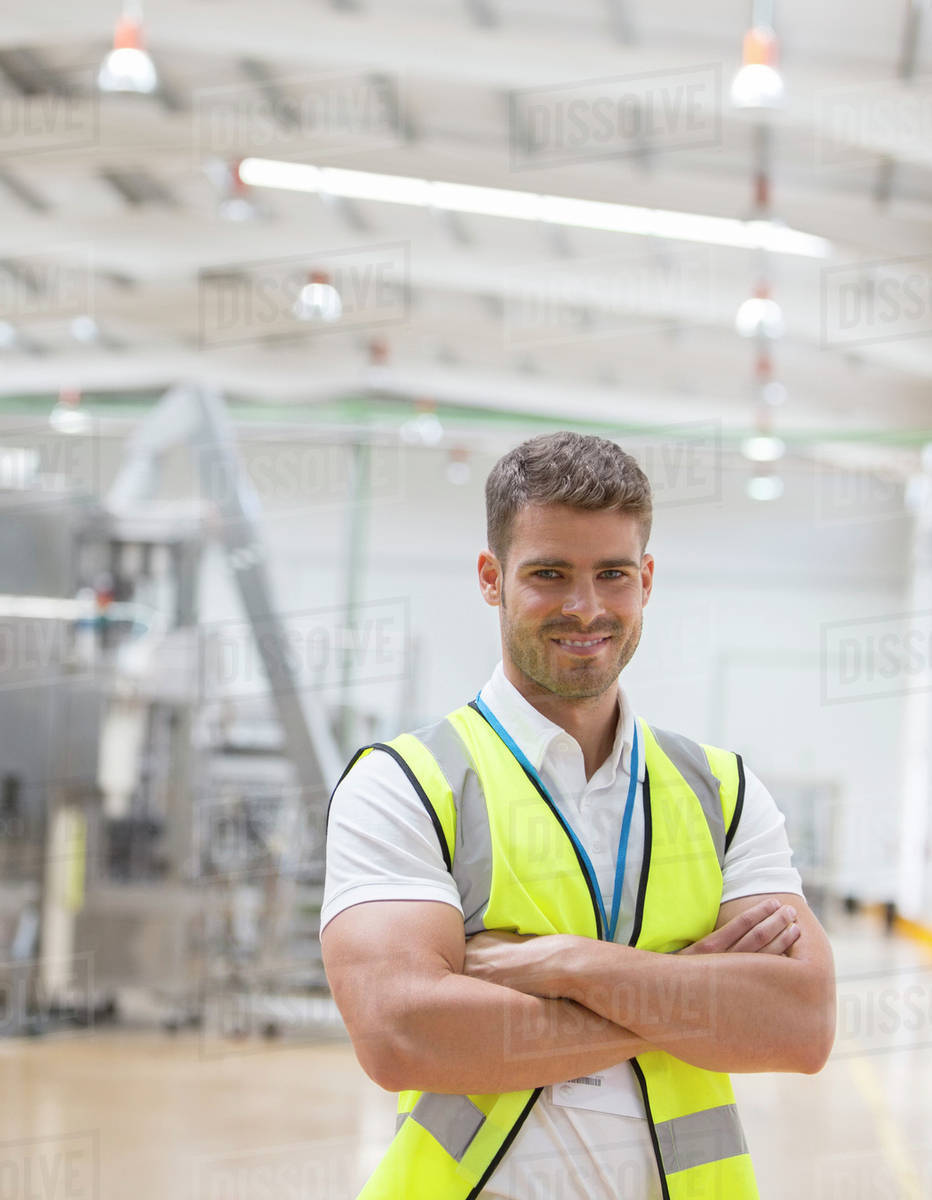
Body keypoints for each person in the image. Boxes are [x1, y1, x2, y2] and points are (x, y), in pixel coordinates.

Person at [321, 431, 836, 1200]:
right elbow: (402, 1033)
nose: (585, 608)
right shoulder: (406, 784)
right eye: (549, 574)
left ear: (648, 579)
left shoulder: (720, 791)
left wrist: (570, 964)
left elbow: (799, 1026)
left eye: (613, 574)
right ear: (492, 579)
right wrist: (682, 996)